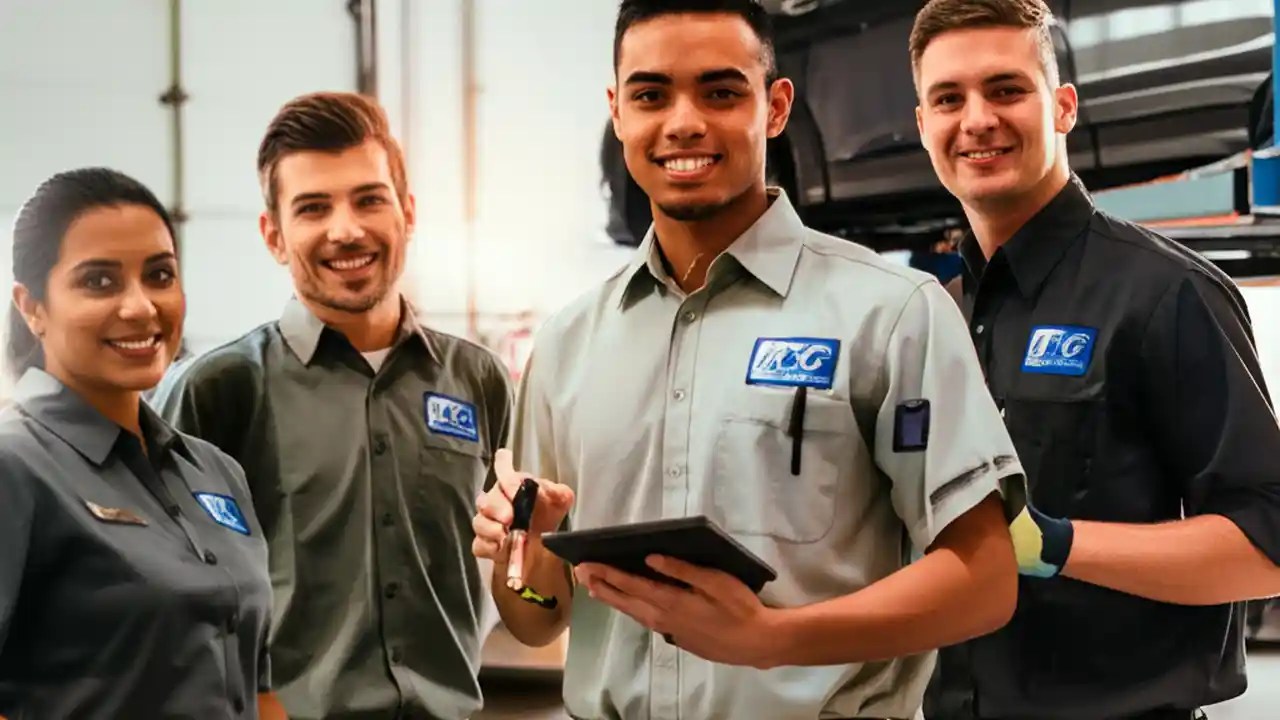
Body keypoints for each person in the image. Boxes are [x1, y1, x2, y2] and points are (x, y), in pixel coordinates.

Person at [470, 1, 1029, 719]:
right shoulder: (567, 344)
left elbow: (984, 582)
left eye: (720, 91)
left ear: (774, 106)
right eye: (650, 95)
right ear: (617, 111)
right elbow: (538, 616)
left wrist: (772, 639)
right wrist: (528, 554)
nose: (684, 123)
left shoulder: (892, 313)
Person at [908, 1, 1280, 718]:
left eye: (1006, 89)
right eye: (948, 98)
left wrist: (1057, 544)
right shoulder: (930, 316)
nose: (977, 118)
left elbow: (1267, 547)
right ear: (924, 124)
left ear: (1063, 107)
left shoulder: (1169, 294)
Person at [150, 92, 513, 720]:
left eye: (369, 198)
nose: (346, 228)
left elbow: (517, 579)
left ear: (408, 212)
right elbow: (158, 602)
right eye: (313, 207)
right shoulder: (216, 391)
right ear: (274, 235)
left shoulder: (478, 379)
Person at [0, 167, 286, 719]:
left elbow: (258, 688)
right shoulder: (15, 466)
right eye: (99, 281)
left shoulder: (214, 471)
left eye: (159, 275)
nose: (140, 307)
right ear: (31, 306)